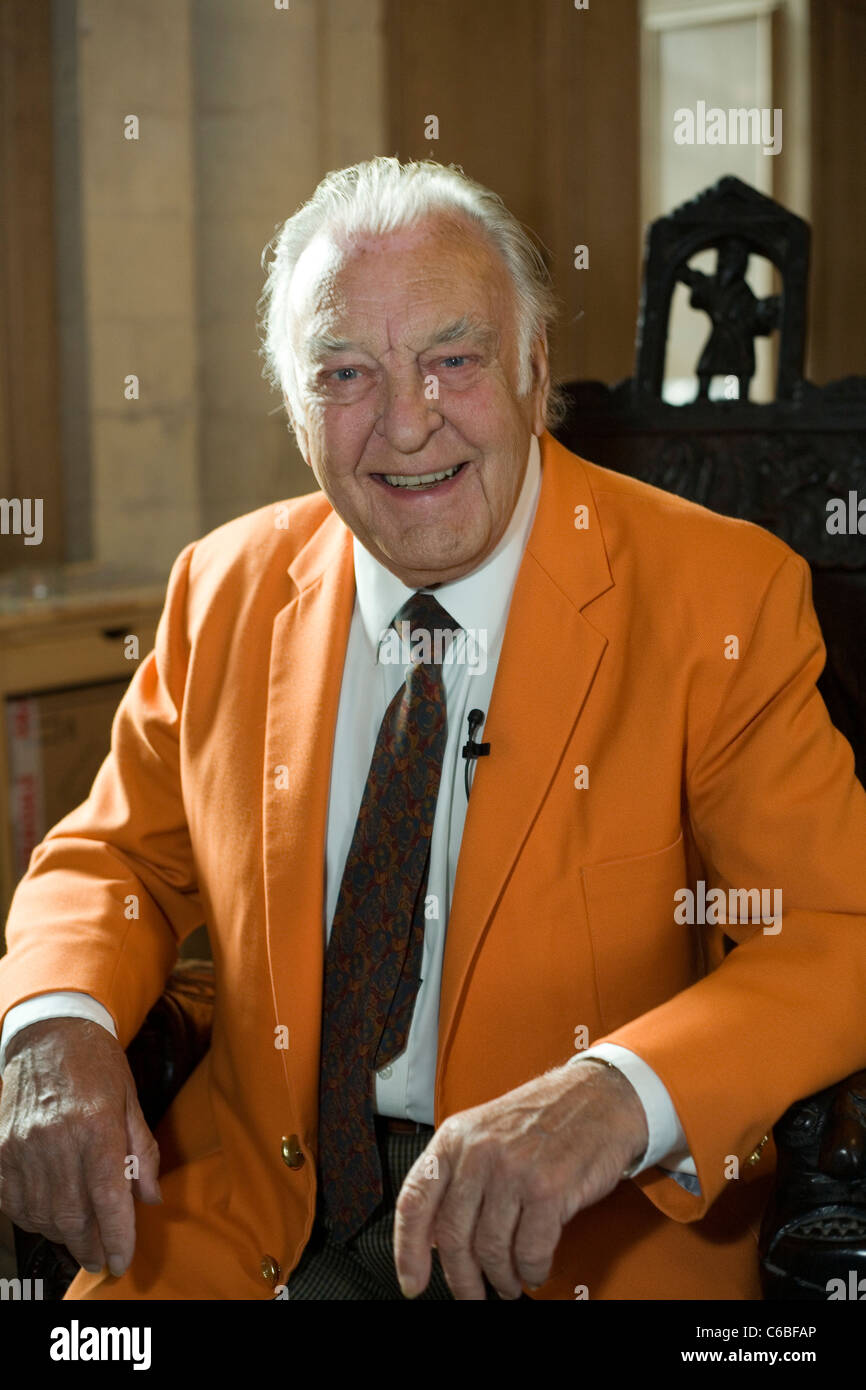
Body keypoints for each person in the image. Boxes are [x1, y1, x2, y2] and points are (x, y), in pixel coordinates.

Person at [1, 157, 865, 1302]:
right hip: (233, 1228)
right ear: (297, 401)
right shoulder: (225, 585)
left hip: (574, 1244)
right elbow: (111, 858)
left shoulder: (717, 595)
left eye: (452, 361)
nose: (406, 425)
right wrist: (53, 1021)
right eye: (345, 373)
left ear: (532, 366)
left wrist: (616, 1093)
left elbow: (833, 929)